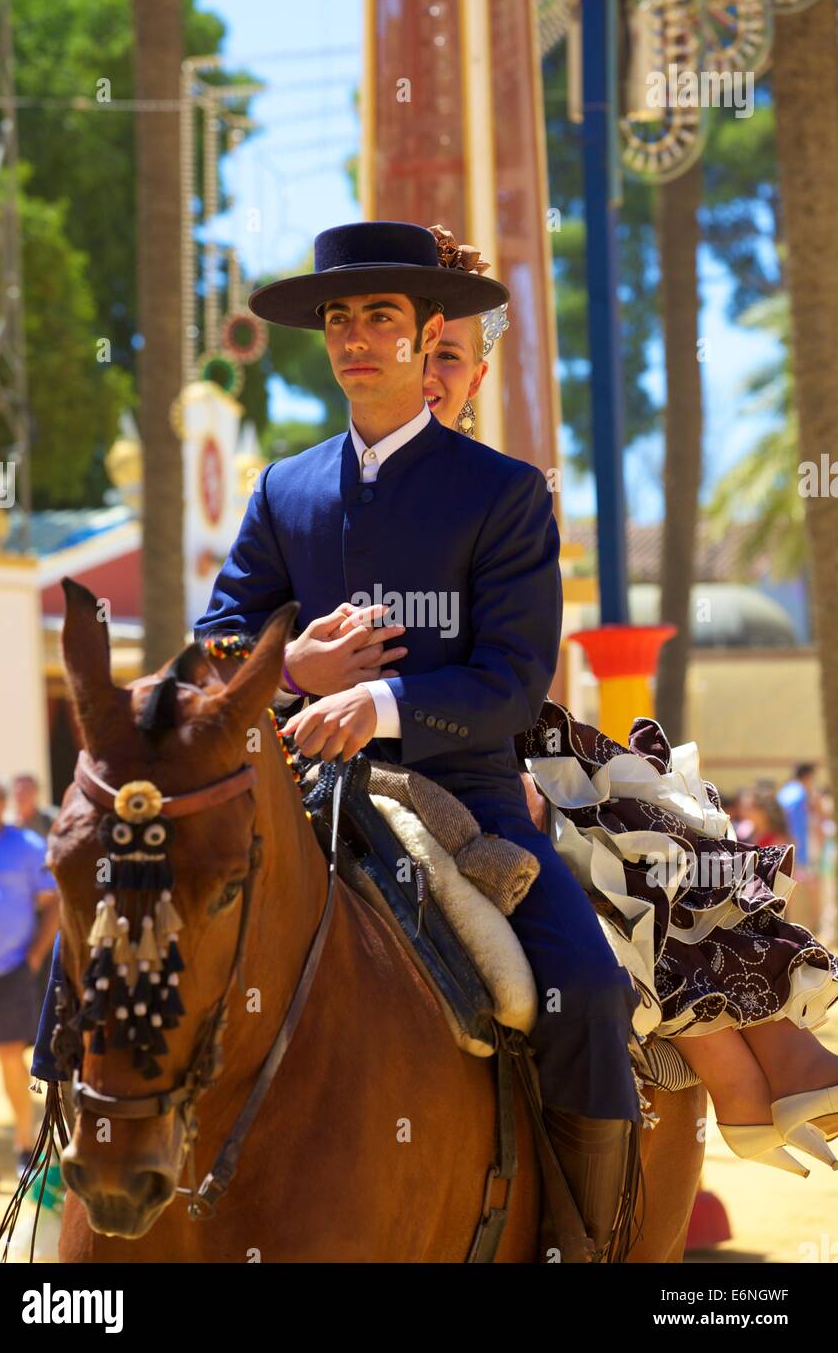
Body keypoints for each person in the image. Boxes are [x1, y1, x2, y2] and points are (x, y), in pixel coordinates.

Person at [190, 219, 643, 1263]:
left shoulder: (504, 495)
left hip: (466, 797)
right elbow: (216, 650)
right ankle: (60, 1161)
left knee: (583, 990)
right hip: (296, 797)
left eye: (380, 319)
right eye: (338, 320)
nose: (355, 338)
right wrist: (294, 669)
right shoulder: (282, 491)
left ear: (425, 332)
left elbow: (510, 681)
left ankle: (580, 1246)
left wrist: (377, 705)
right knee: (135, 909)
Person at [415, 225, 838, 1183]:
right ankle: (748, 1070)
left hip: (501, 730)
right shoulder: (324, 486)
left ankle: (754, 1065)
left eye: (453, 357)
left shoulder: (500, 493)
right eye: (423, 351)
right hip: (401, 744)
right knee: (591, 830)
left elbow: (516, 653)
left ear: (478, 376)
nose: (434, 373)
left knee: (632, 826)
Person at [0, 771, 59, 1185]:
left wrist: (36, 955)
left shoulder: (27, 846)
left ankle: (25, 1147)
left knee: (11, 1058)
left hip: (11, 973)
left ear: (2, 803)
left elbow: (53, 900)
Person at [9, 773, 54, 840]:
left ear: (36, 792)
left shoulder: (50, 820)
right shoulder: (7, 823)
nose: (22, 795)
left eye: (26, 789)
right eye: (18, 791)